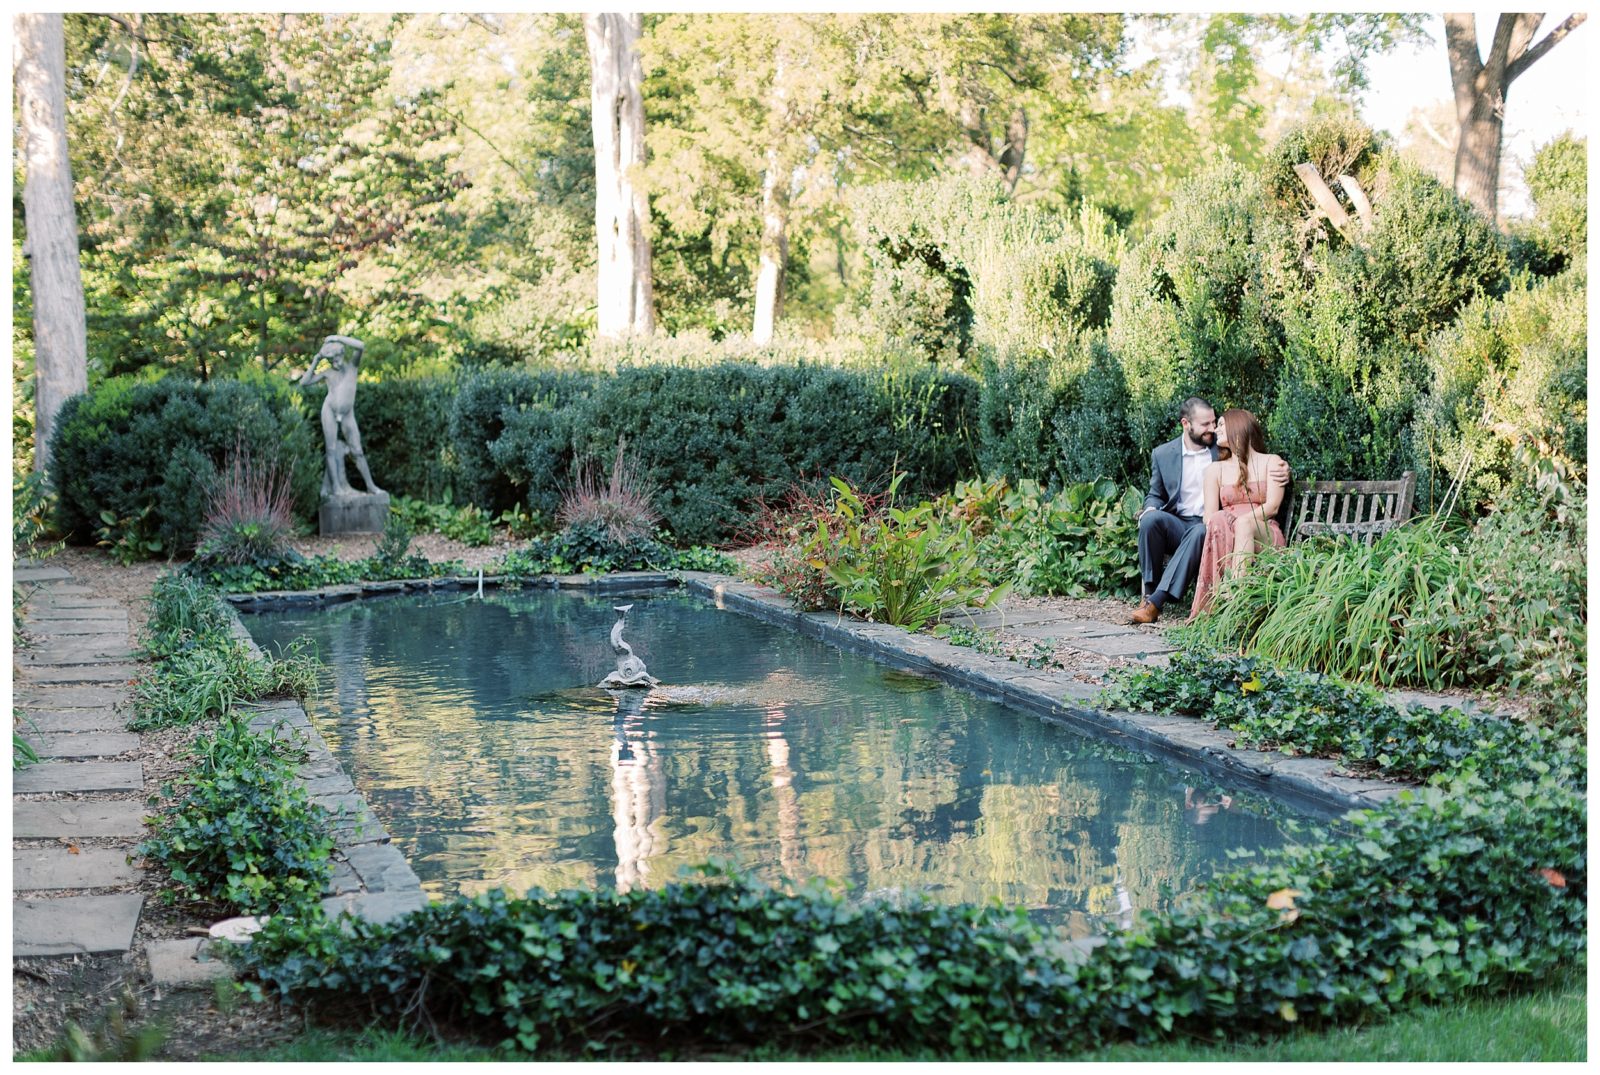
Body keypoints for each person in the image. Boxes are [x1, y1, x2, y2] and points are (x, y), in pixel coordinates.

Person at [1188, 408, 1287, 620]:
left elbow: (1273, 506)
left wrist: (1242, 521)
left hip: (1264, 532)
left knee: (1244, 524)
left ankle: (1235, 595)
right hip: (1229, 532)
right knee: (1218, 520)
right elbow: (1209, 515)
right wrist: (1229, 525)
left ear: (1238, 426)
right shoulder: (1215, 470)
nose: (1215, 430)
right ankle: (1216, 605)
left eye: (1222, 425)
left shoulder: (1272, 462)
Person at [298, 334, 383, 497]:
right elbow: (304, 382)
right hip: (329, 410)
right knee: (331, 449)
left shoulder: (352, 367)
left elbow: (361, 345)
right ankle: (336, 487)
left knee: (357, 451)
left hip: (347, 414)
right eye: (330, 361)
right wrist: (316, 360)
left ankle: (371, 486)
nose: (333, 363)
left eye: (335, 359)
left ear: (341, 354)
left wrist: (336, 338)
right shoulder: (327, 372)